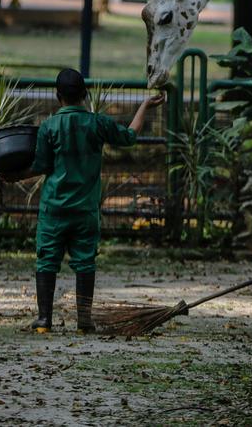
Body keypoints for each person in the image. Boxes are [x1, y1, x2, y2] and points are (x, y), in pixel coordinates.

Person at [8, 68, 163, 333]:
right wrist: (144, 106)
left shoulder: (49, 126)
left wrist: (14, 176)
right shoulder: (97, 123)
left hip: (54, 208)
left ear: (58, 96)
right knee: (85, 262)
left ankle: (44, 320)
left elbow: (40, 166)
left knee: (47, 261)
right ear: (84, 94)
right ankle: (84, 320)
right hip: (85, 209)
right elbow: (129, 136)